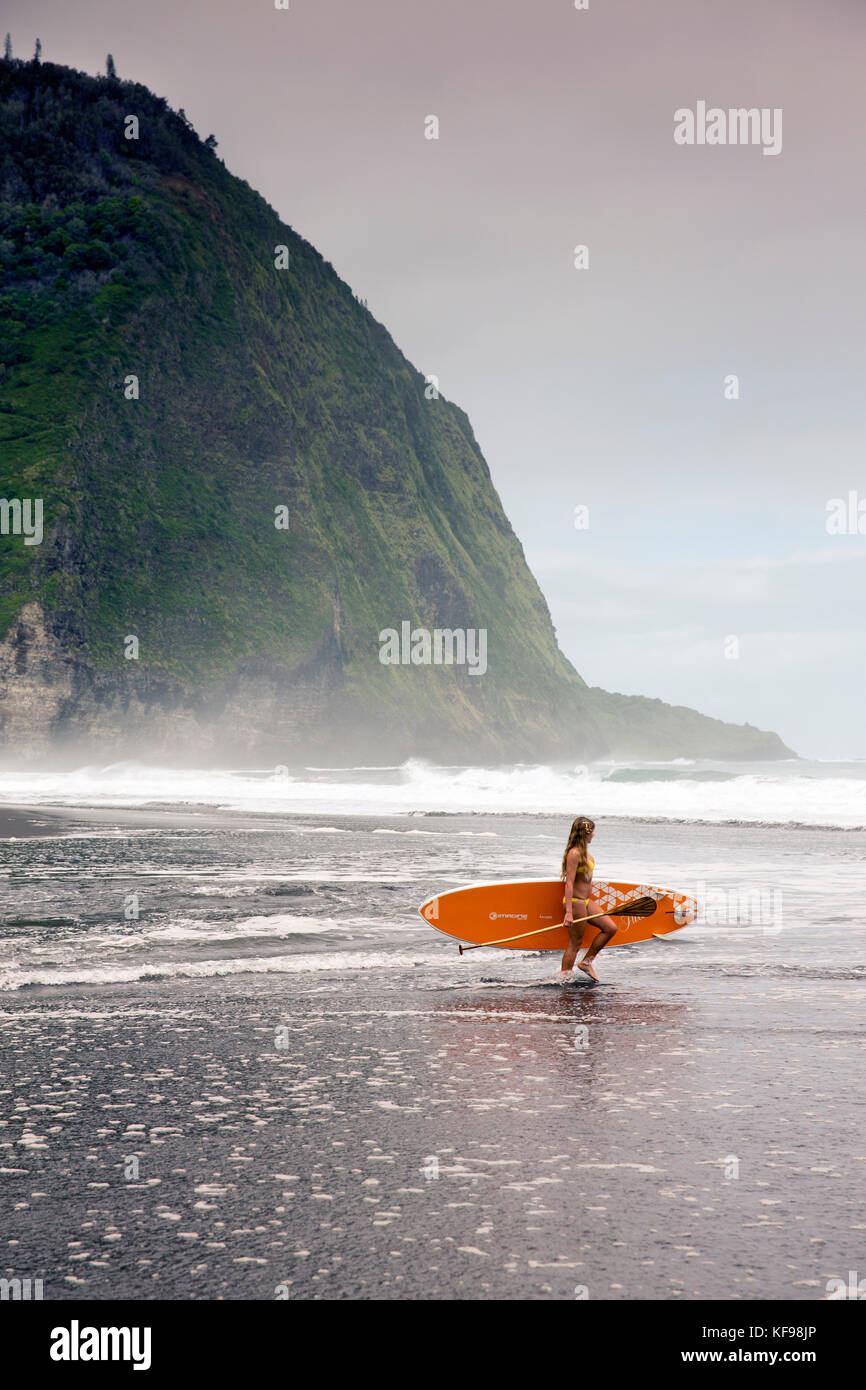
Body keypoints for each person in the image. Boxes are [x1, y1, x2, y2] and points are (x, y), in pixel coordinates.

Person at [559, 815, 617, 981]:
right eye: (592, 832)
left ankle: (586, 962)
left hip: (585, 902)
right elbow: (569, 883)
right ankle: (564, 978)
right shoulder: (574, 853)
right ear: (585, 833)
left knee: (610, 928)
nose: (593, 835)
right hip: (575, 903)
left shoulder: (586, 854)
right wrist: (568, 912)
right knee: (575, 944)